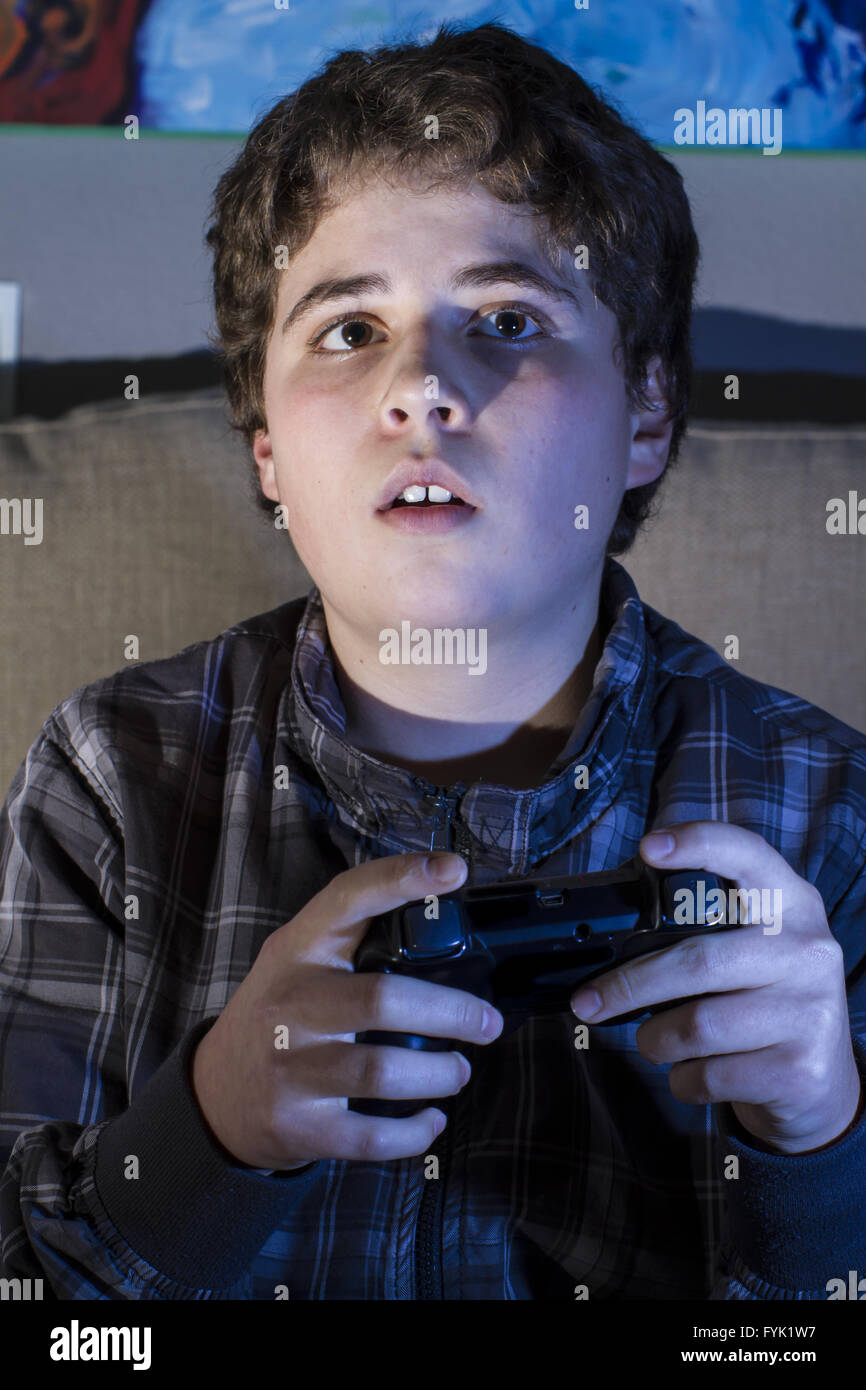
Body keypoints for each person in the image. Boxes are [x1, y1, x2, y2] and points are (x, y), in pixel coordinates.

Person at [1, 20, 864, 1302]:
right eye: (348, 331)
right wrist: (211, 1127)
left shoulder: (828, 809)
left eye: (506, 316)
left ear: (643, 418)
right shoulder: (113, 772)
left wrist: (816, 1144)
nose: (420, 388)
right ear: (266, 458)